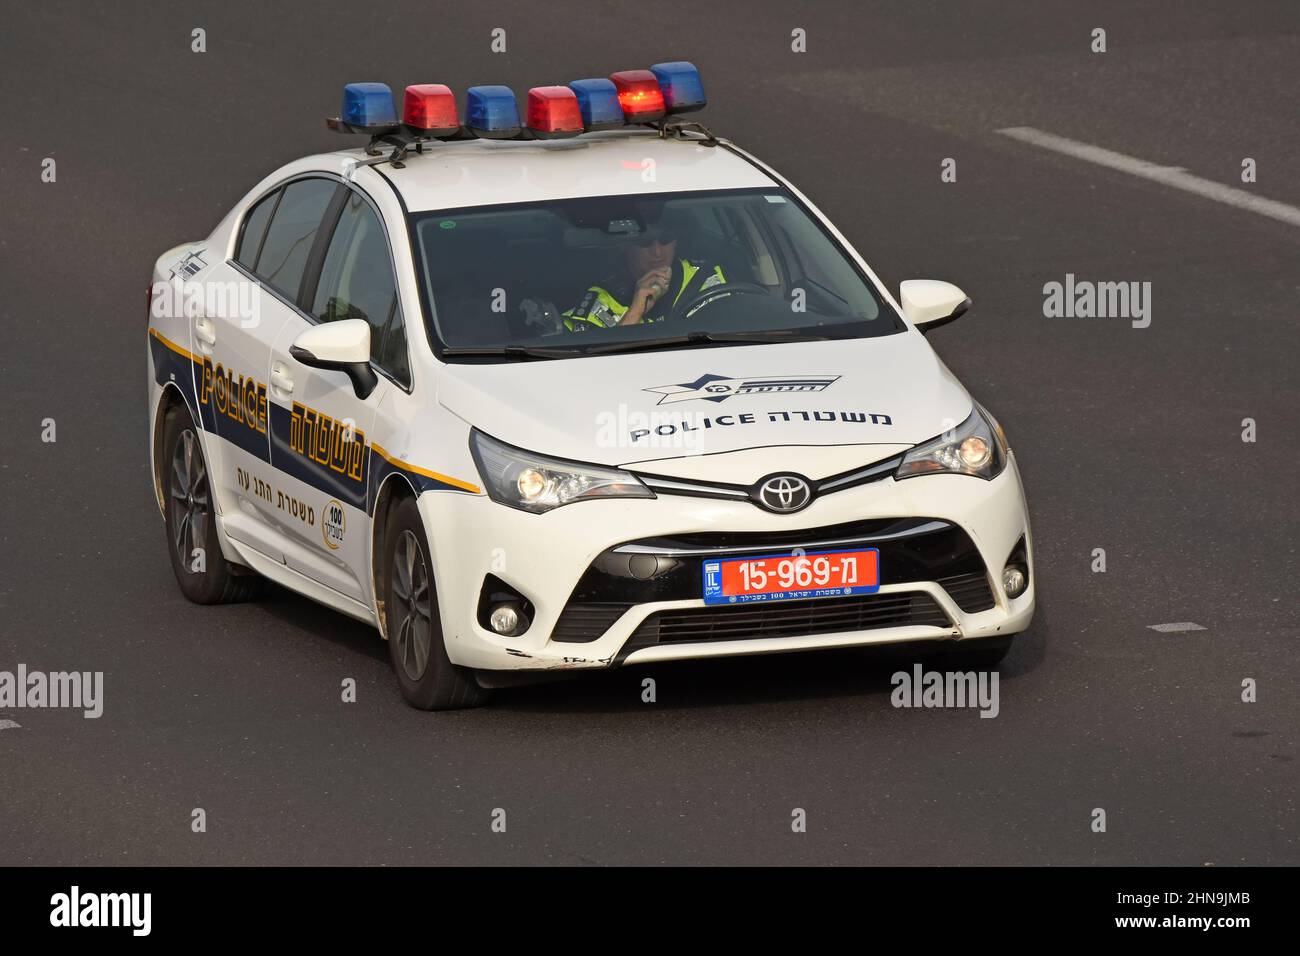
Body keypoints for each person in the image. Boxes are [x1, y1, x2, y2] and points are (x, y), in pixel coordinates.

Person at [563, 224, 726, 331]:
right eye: (645, 241)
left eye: (665, 239)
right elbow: (599, 369)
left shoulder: (711, 277)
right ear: (624, 246)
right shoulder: (597, 305)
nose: (657, 252)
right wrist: (636, 310)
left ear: (675, 242)